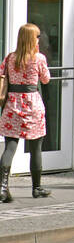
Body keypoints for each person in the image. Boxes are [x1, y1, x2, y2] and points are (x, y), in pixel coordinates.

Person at [0, 24, 52, 202]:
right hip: (32, 105)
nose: (39, 39)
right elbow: (45, 79)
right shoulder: (39, 59)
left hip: (12, 105)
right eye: (37, 37)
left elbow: (2, 75)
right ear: (32, 39)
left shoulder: (10, 58)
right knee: (36, 147)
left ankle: (2, 188)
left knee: (10, 146)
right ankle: (37, 187)